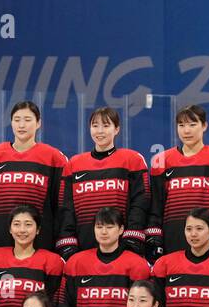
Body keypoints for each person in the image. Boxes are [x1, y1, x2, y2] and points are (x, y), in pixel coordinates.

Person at [55, 105, 150, 259]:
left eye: (106, 126)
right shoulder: (74, 164)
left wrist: (133, 235)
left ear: (117, 129)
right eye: (95, 125)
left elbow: (140, 202)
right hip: (83, 246)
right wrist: (67, 241)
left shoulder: (133, 160)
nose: (100, 131)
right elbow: (66, 207)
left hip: (122, 247)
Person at [148, 104, 209, 256]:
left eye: (192, 124)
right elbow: (155, 205)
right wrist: (154, 235)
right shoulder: (161, 161)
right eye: (181, 125)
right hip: (172, 241)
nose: (186, 130)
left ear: (204, 126)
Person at [58, 206, 151, 307]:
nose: (104, 232)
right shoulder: (76, 263)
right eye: (99, 227)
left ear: (121, 229)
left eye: (109, 227)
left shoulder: (136, 264)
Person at [0, 100, 69, 252]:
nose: (21, 125)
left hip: (41, 244)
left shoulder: (54, 158)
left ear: (38, 123)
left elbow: (60, 207)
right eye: (17, 120)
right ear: (11, 123)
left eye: (27, 120)